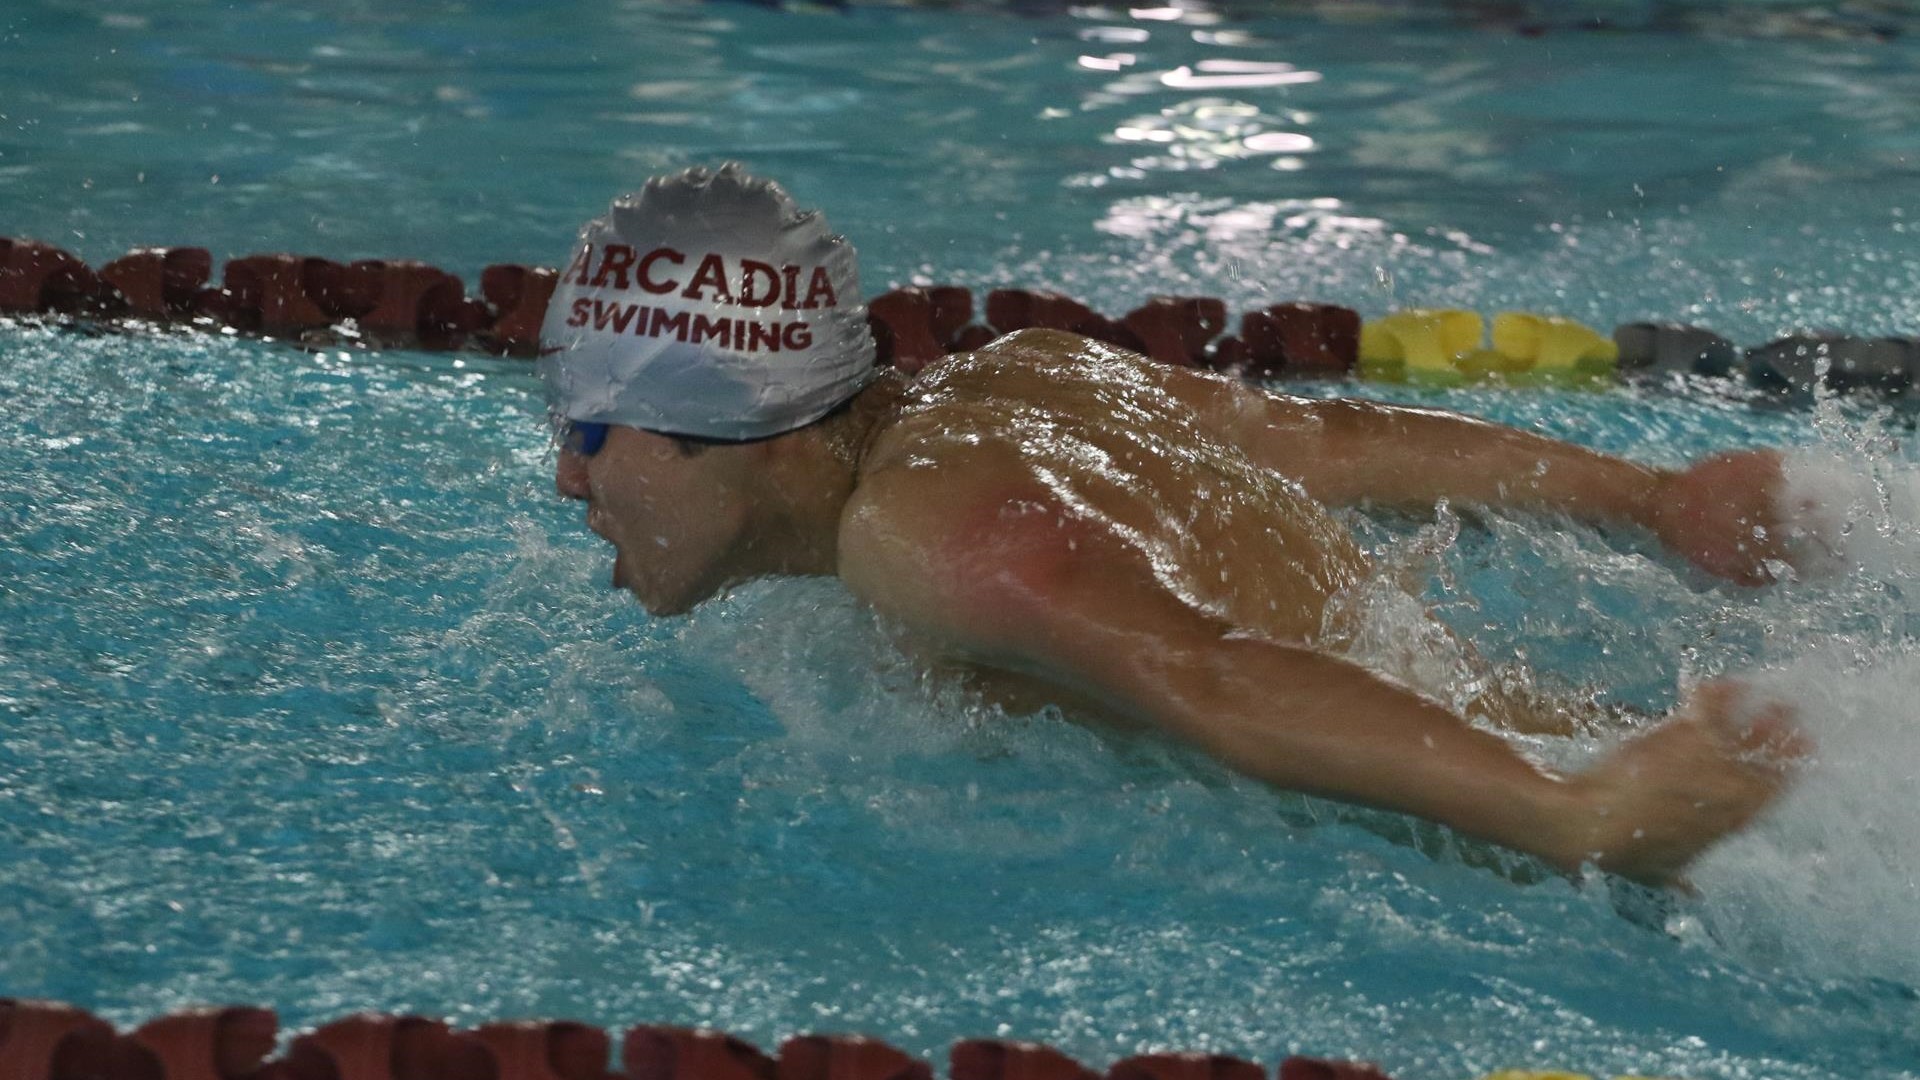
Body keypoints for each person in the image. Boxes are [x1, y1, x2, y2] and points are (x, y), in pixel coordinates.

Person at [541, 165, 1809, 888]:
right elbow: (1334, 445)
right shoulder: (1029, 370)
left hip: (1599, 842)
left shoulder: (921, 532)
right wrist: (1658, 499)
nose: (564, 479)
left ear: (732, 430)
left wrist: (1571, 814)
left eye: (589, 432)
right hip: (1619, 753)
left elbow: (1204, 670)